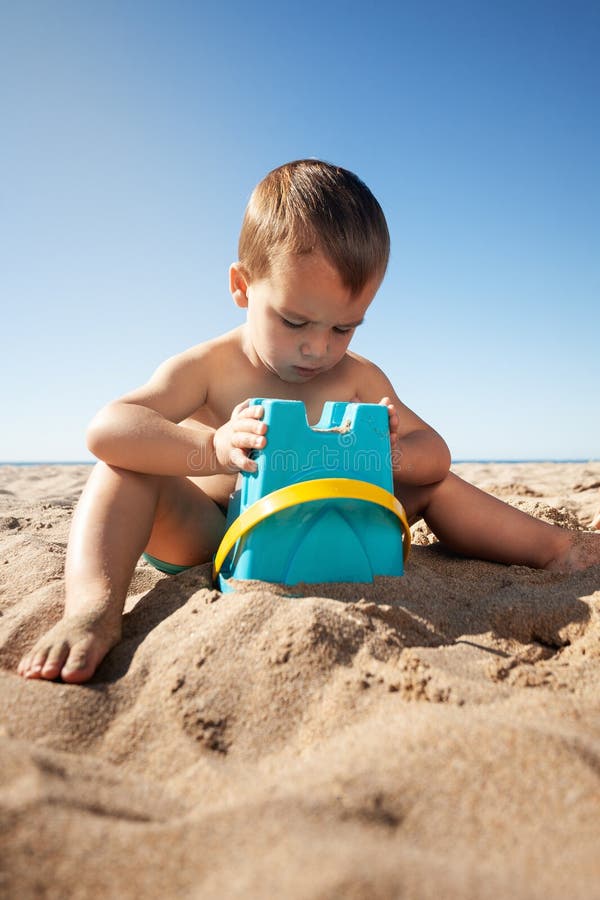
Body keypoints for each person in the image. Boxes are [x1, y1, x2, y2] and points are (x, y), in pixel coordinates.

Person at [18, 159, 600, 684]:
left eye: (344, 327)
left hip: (336, 526)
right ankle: (92, 610)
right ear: (243, 287)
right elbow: (109, 428)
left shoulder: (357, 376)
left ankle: (557, 550)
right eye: (295, 321)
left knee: (434, 485)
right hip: (216, 536)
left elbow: (435, 455)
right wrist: (212, 451)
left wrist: (389, 453)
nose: (319, 349)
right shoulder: (207, 367)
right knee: (124, 470)